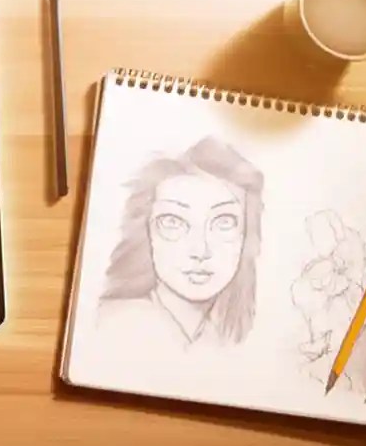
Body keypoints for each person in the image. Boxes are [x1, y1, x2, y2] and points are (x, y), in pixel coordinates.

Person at [98, 136, 264, 348]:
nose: (200, 250)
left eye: (224, 221)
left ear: (247, 233)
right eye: (173, 222)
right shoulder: (115, 328)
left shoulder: (225, 340)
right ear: (146, 231)